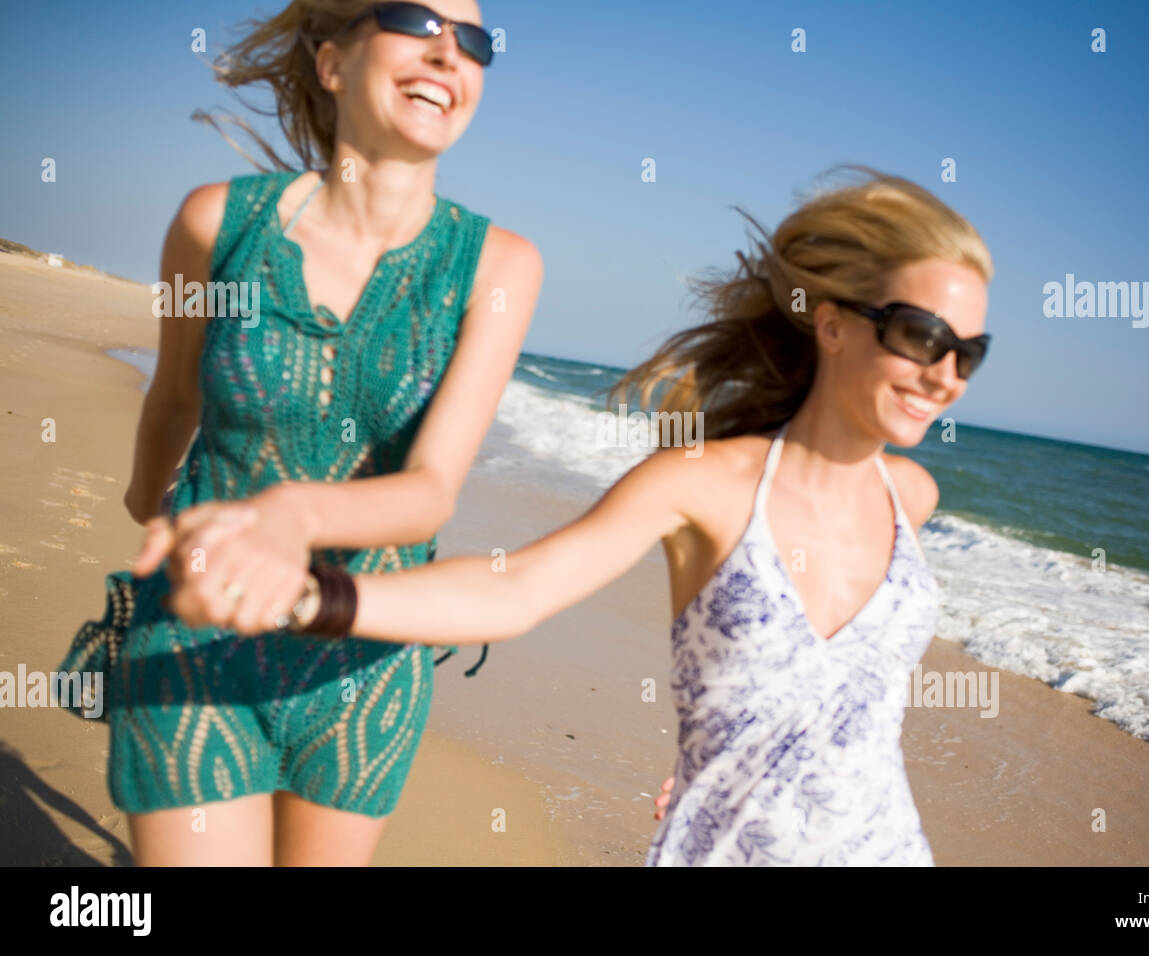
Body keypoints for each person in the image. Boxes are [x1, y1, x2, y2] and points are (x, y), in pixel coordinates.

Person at [171, 168, 993, 865]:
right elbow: (517, 589)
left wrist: (726, 747)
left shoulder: (911, 498)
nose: (948, 375)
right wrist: (312, 598)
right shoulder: (703, 485)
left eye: (970, 352)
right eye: (924, 336)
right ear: (836, 322)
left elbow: (841, 699)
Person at [56, 0, 543, 866]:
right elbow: (173, 398)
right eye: (416, 22)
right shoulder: (214, 225)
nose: (448, 52)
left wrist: (288, 517)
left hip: (359, 670)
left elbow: (431, 491)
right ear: (331, 63)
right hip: (197, 637)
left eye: (474, 42)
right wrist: (151, 512)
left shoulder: (500, 267)